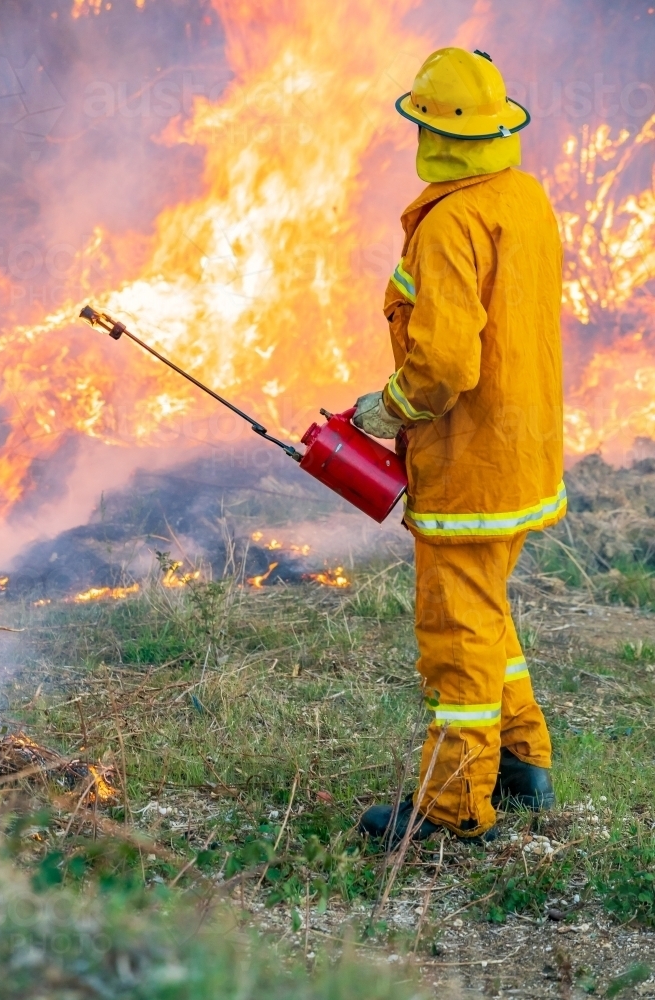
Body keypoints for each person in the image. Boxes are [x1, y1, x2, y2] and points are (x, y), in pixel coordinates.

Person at [354, 47, 566, 843]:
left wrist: (389, 408)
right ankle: (523, 764)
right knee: (488, 614)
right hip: (522, 451)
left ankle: (451, 807)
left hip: (470, 463)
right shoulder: (523, 197)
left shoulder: (449, 222)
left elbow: (443, 364)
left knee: (458, 636)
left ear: (426, 129)